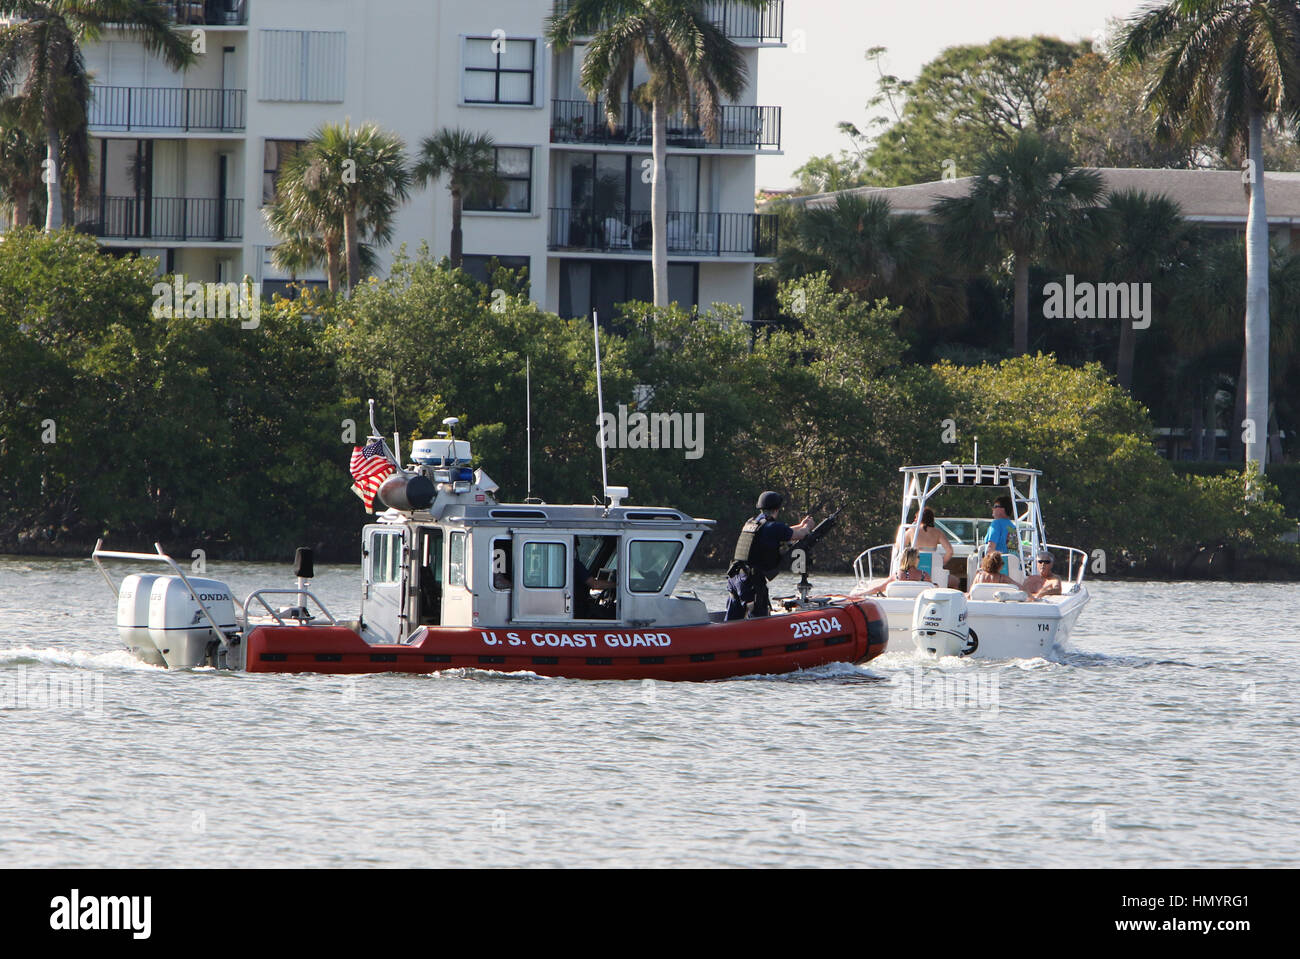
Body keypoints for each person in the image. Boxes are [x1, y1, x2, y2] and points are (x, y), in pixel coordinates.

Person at [726, 491, 814, 619]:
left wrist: (800, 525)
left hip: (735, 577)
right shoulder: (773, 527)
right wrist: (807, 527)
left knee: (732, 620)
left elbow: (783, 531)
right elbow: (800, 535)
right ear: (777, 509)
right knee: (759, 618)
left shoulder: (752, 523)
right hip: (751, 581)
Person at [867, 547, 931, 596]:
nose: (919, 559)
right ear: (915, 559)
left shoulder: (897, 575)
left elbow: (879, 588)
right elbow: (933, 589)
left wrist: (861, 593)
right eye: (918, 557)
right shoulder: (925, 575)